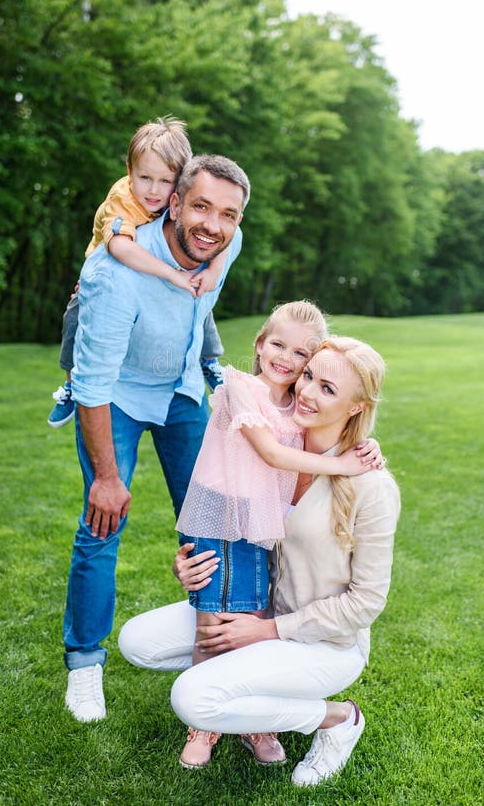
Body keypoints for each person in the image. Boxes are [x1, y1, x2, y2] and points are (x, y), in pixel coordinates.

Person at [118, 336, 401, 788]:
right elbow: (232, 534)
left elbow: (366, 603)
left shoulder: (371, 485)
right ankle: (252, 687)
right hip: (256, 607)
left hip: (324, 644)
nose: (306, 392)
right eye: (308, 376)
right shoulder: (273, 453)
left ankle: (337, 719)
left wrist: (269, 631)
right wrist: (189, 567)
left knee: (193, 697)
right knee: (138, 642)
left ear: (355, 407)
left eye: (328, 389)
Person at [63, 153, 249, 723]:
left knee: (214, 520)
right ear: (173, 202)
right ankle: (84, 665)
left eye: (228, 215)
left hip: (182, 390)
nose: (213, 226)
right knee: (102, 524)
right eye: (200, 207)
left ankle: (218, 652)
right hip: (115, 394)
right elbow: (91, 383)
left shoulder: (224, 244)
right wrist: (109, 478)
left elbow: (205, 288)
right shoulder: (113, 274)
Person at [173, 302, 382, 768]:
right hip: (219, 522)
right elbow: (270, 454)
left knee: (256, 618)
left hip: (256, 529)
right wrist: (342, 464)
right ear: (259, 345)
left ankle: (255, 721)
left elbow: (329, 430)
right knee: (211, 627)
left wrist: (363, 446)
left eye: (301, 356)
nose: (286, 359)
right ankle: (204, 725)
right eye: (277, 344)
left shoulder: (295, 409)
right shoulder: (239, 387)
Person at [48, 118, 227, 428]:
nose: (153, 190)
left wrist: (213, 269)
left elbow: (224, 229)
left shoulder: (188, 196)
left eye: (164, 180)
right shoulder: (124, 199)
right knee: (76, 317)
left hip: (163, 263)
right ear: (130, 172)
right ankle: (71, 384)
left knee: (198, 296)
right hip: (113, 270)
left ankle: (208, 362)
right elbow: (120, 249)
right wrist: (173, 274)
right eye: (144, 177)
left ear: (180, 181)